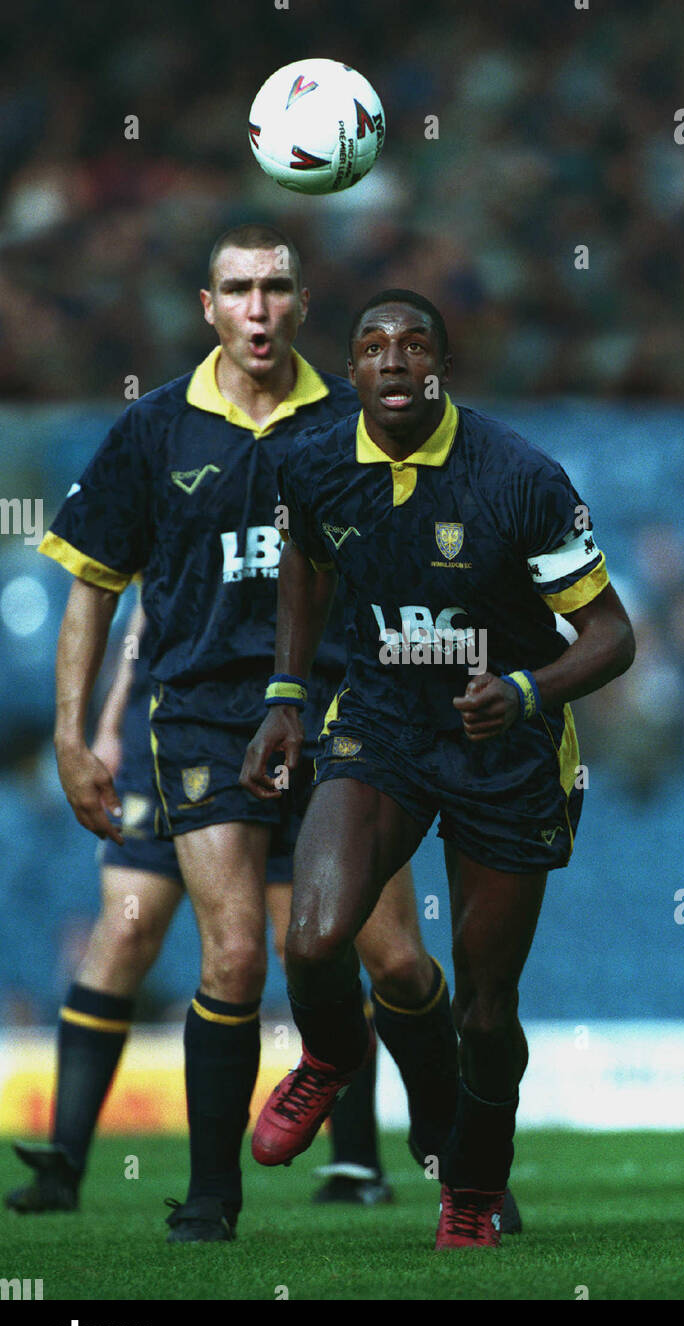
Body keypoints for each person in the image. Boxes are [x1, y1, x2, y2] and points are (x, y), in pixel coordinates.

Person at [28, 230, 451, 1243]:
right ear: (206, 306)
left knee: (390, 956)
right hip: (204, 714)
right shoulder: (155, 429)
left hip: (348, 710)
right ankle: (210, 1196)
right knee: (230, 957)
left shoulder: (354, 422)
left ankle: (460, 1166)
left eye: (273, 288)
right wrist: (73, 733)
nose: (256, 308)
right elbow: (92, 582)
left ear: (302, 306)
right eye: (236, 289)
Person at [241, 289, 635, 1248]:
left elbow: (613, 637)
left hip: (507, 745)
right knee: (313, 938)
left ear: (441, 369)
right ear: (351, 369)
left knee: (487, 1010)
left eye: (415, 346)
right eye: (374, 346)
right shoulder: (313, 463)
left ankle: (469, 1190)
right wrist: (287, 697)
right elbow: (305, 558)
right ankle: (333, 1054)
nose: (394, 361)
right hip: (383, 724)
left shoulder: (519, 477)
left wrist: (529, 693)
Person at [5, 599, 395, 1215]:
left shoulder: (309, 508)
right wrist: (110, 722)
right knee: (126, 934)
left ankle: (355, 1158)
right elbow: (142, 602)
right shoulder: (168, 506)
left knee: (299, 947)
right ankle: (63, 1160)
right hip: (168, 725)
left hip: (281, 719)